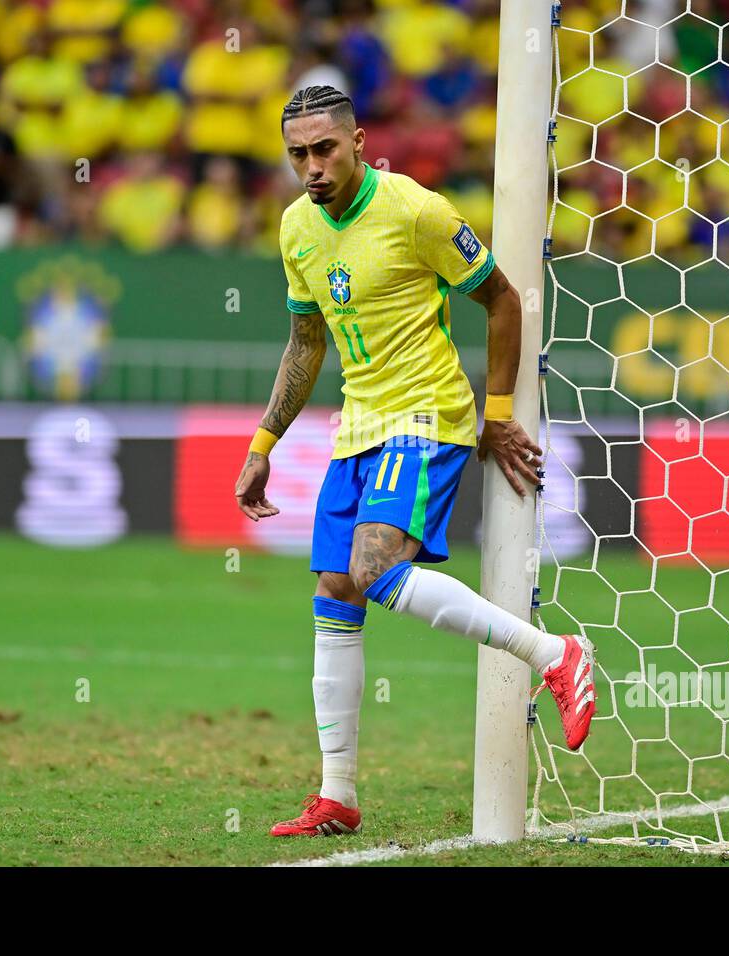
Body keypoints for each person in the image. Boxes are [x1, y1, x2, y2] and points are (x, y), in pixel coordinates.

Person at [233, 87, 596, 838]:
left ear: (358, 141)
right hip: (356, 427)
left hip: (425, 414)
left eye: (324, 148)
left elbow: (501, 300)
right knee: (336, 589)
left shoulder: (415, 210)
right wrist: (263, 444)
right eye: (298, 153)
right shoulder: (297, 228)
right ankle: (337, 794)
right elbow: (306, 343)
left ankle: (555, 653)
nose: (312, 166)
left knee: (371, 567)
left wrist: (496, 416)